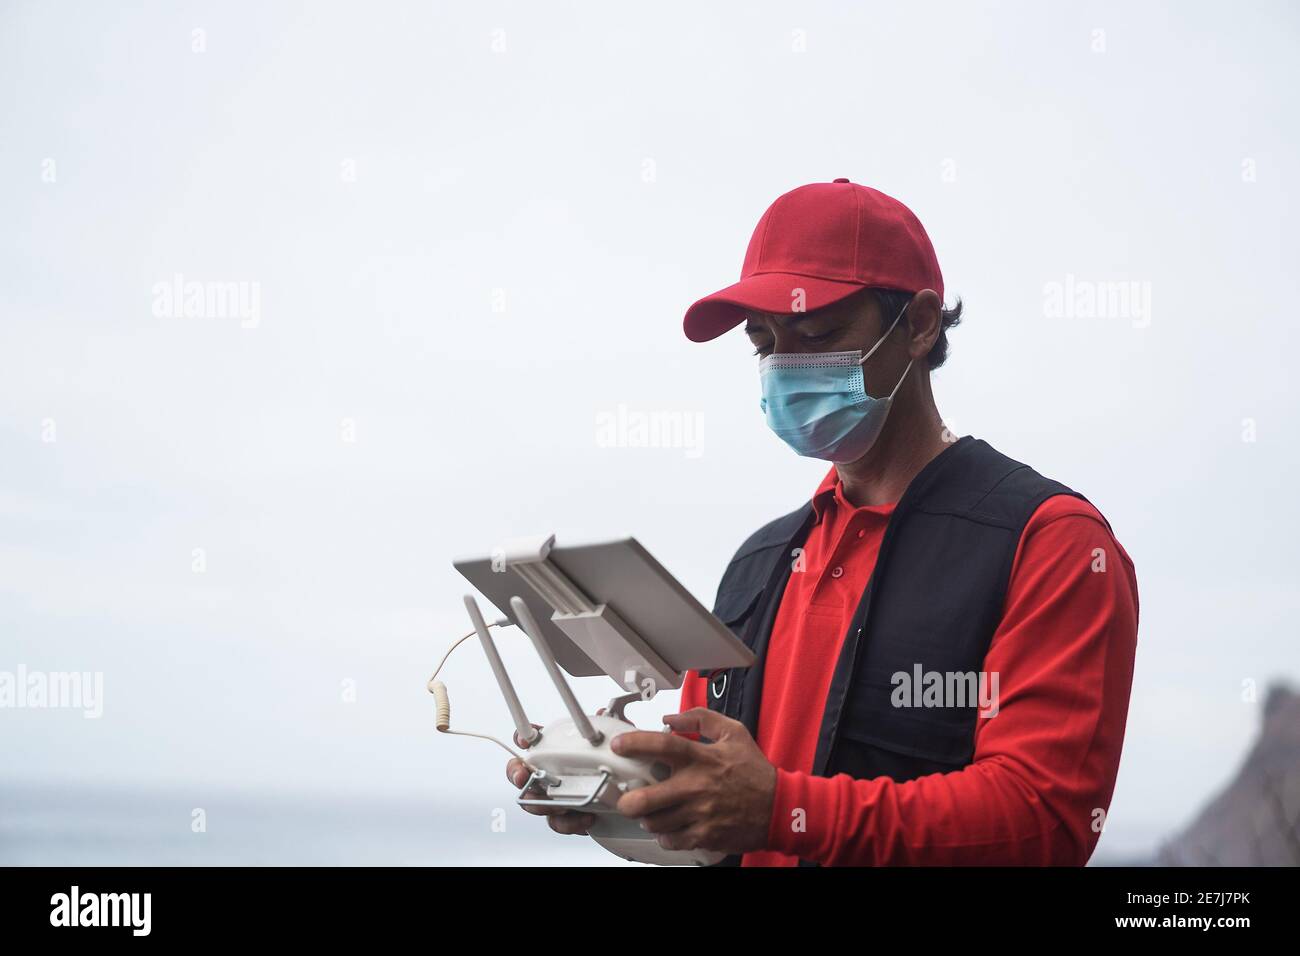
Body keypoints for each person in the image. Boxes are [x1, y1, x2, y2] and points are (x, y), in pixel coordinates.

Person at [506, 178, 1139, 866]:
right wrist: (621, 789)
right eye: (763, 344)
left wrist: (785, 811)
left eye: (818, 332)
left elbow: (1042, 823)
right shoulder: (759, 562)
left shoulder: (1050, 543)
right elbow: (718, 811)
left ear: (920, 325)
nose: (786, 366)